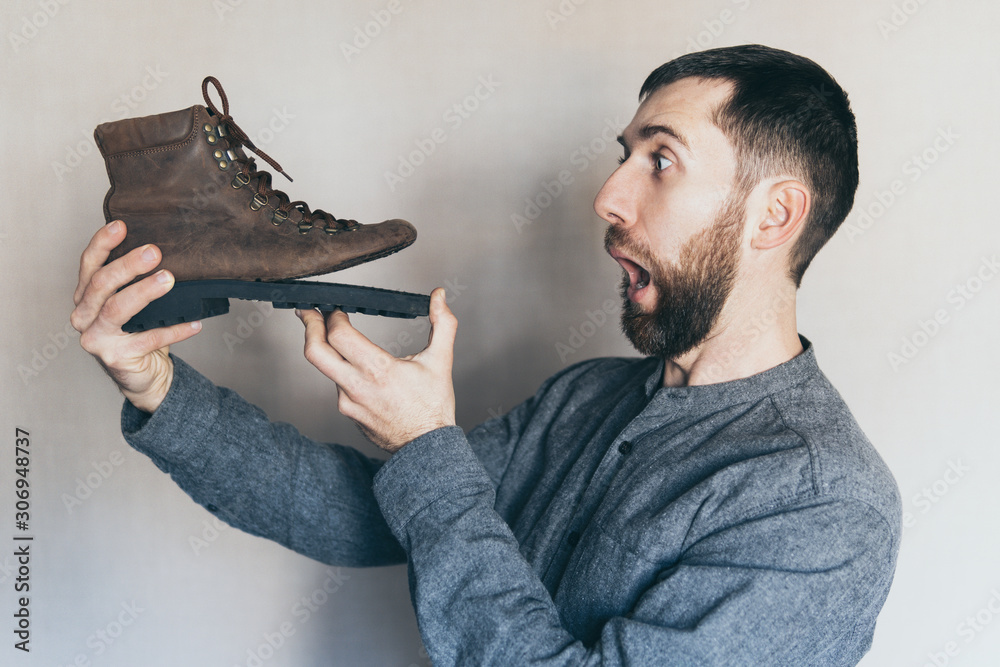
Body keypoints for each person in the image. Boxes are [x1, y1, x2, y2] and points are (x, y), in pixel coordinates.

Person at [72, 45, 901, 665]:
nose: (608, 197)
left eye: (661, 160)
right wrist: (157, 389)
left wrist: (425, 449)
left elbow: (434, 492)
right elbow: (369, 512)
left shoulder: (823, 504)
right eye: (624, 157)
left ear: (773, 217)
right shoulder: (590, 397)